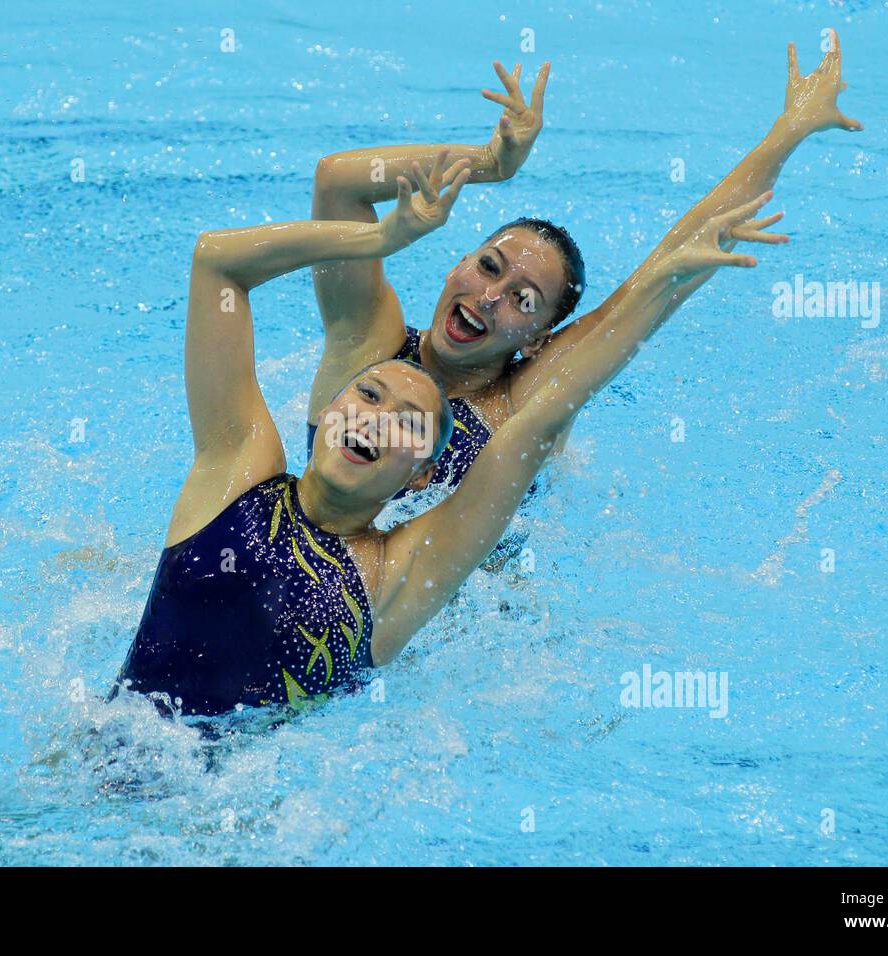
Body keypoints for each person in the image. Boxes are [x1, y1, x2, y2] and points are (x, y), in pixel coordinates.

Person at [113, 151, 788, 717]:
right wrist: (399, 225)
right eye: (367, 395)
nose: (373, 418)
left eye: (404, 423)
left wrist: (675, 273)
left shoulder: (397, 575)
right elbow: (223, 259)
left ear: (422, 476)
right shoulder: (241, 472)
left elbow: (558, 402)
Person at [306, 31, 862, 499]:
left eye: (525, 301)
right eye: (490, 266)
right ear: (457, 263)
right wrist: (491, 163)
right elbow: (337, 183)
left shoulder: (521, 409)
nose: (491, 297)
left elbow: (672, 271)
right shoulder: (367, 345)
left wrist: (789, 130)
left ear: (539, 340)